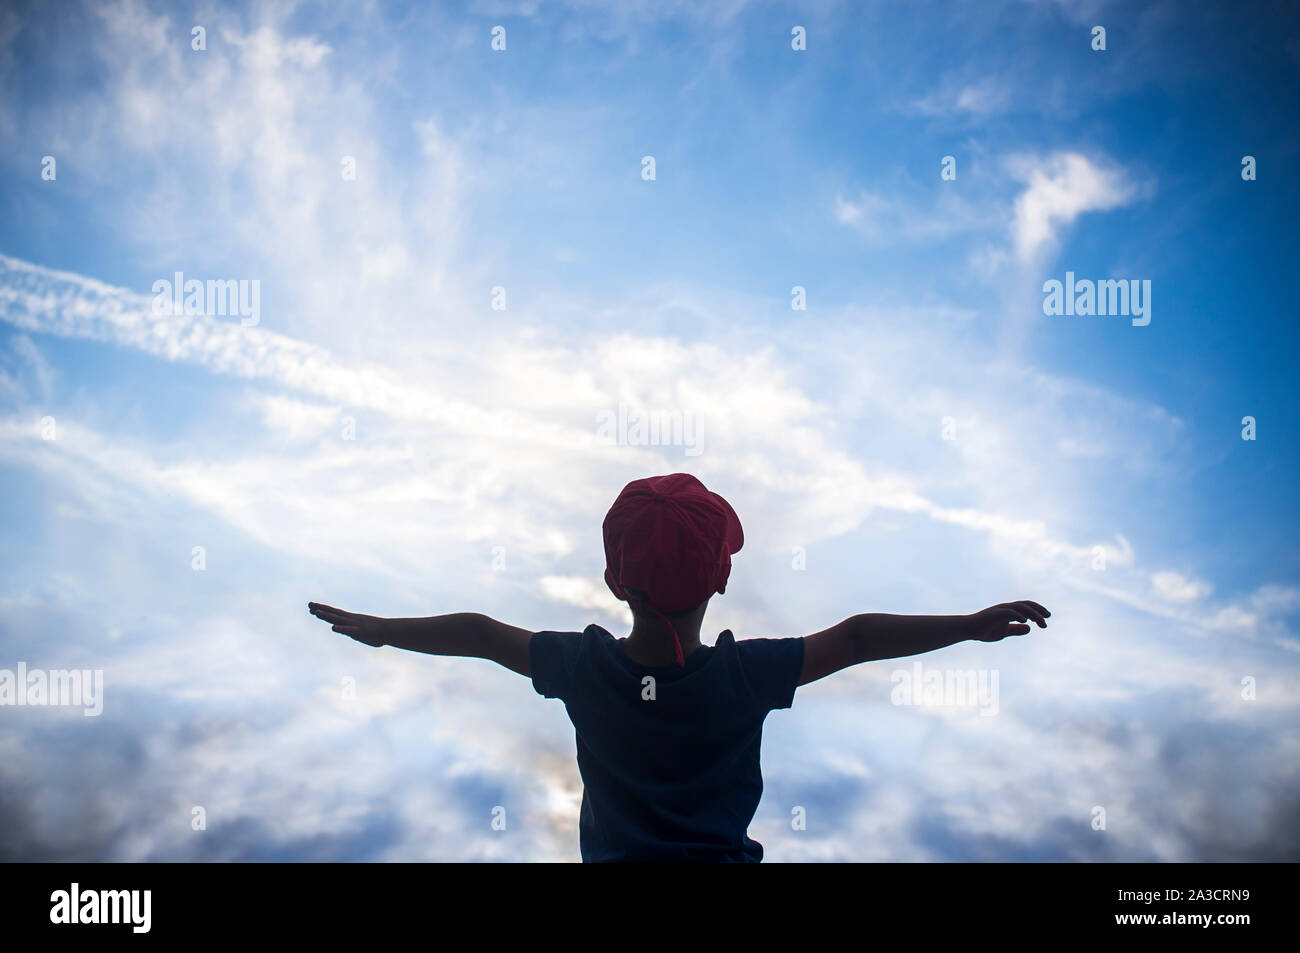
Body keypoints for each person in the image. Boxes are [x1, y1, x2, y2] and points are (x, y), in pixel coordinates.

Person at [309, 472, 1050, 861]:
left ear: (613, 580)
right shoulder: (744, 676)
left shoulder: (582, 666)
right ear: (721, 579)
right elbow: (855, 637)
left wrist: (380, 629)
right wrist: (966, 624)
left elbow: (476, 631)